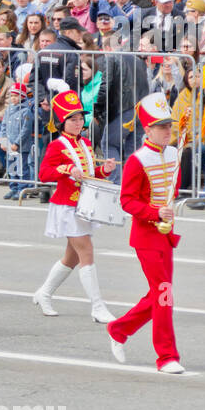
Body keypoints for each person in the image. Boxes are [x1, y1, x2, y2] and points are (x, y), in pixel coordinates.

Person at [108, 94, 185, 374]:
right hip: (146, 237)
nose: (168, 130)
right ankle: (166, 356)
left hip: (166, 234)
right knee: (165, 294)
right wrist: (155, 213)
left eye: (169, 125)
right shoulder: (137, 160)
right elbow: (127, 200)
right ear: (147, 130)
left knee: (159, 293)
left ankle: (119, 329)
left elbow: (173, 189)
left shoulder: (175, 153)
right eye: (162, 126)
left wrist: (167, 207)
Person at [32, 91, 118, 322]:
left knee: (72, 257)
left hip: (85, 205)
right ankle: (97, 307)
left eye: (80, 118)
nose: (78, 123)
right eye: (73, 119)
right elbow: (44, 173)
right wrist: (66, 170)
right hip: (67, 207)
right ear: (62, 123)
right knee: (87, 251)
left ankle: (44, 293)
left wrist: (105, 170)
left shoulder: (87, 143)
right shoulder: (57, 146)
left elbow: (89, 174)